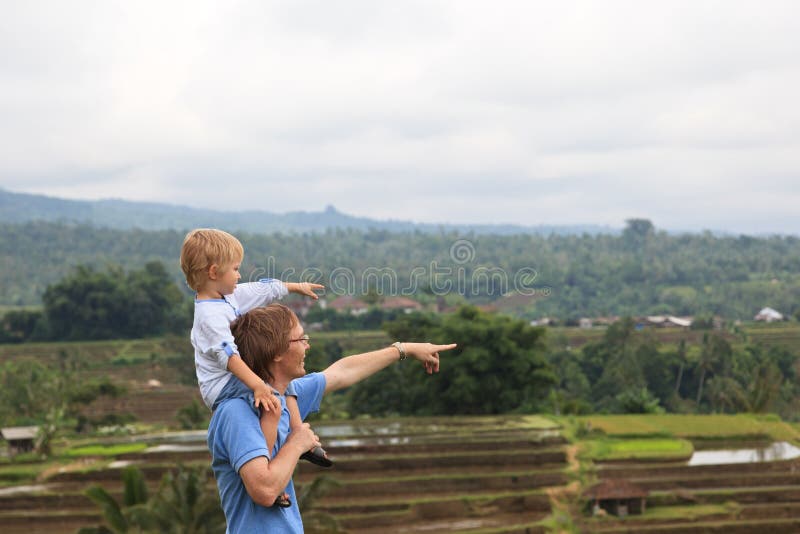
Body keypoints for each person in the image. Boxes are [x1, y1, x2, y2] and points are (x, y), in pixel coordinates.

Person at [208, 304, 456, 533]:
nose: (307, 345)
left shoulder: (285, 396)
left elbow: (341, 372)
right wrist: (298, 442)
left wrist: (405, 349)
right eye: (301, 338)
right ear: (277, 352)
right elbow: (264, 490)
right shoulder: (237, 412)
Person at [180, 228, 328, 507]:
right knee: (271, 398)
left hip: (236, 373)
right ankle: (273, 470)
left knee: (282, 382)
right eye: (235, 269)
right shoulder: (209, 316)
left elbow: (261, 290)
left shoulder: (226, 296)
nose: (239, 275)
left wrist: (295, 287)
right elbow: (230, 357)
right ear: (213, 272)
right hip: (224, 386)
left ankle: (298, 432)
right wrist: (260, 385)